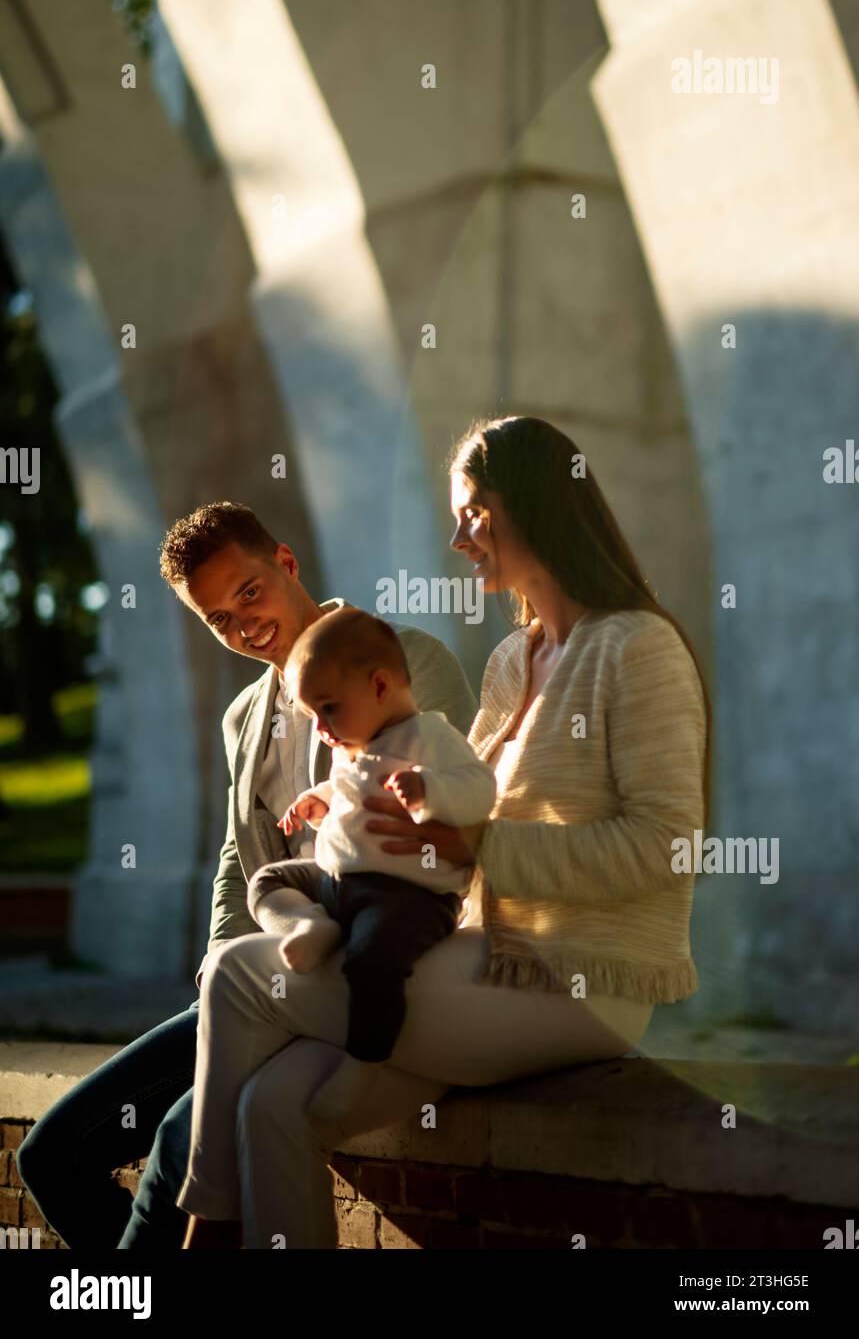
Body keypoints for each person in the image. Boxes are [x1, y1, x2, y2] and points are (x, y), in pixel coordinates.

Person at [177, 416, 712, 1250]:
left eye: (472, 513)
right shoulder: (511, 659)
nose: (457, 537)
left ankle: (203, 1228)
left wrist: (474, 847)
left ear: (530, 505)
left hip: (582, 982)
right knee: (270, 1105)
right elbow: (462, 812)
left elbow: (663, 846)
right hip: (476, 963)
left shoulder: (637, 648)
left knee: (240, 971)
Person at [15, 502, 476, 1250]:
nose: (241, 626)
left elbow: (452, 834)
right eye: (218, 619)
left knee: (175, 1140)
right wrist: (218, 958)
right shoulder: (242, 717)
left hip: (373, 976)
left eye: (250, 594)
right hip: (259, 980)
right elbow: (240, 857)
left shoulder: (409, 661)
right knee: (51, 1155)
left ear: (287, 565)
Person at [244, 605, 496, 1124]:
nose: (322, 730)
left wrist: (430, 792)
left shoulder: (430, 736)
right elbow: (347, 791)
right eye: (312, 716)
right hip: (340, 883)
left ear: (381, 686)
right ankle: (308, 924)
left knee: (373, 961)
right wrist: (318, 799)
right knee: (269, 880)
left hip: (410, 896)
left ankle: (365, 1062)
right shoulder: (352, 742)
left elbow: (480, 790)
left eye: (328, 710)